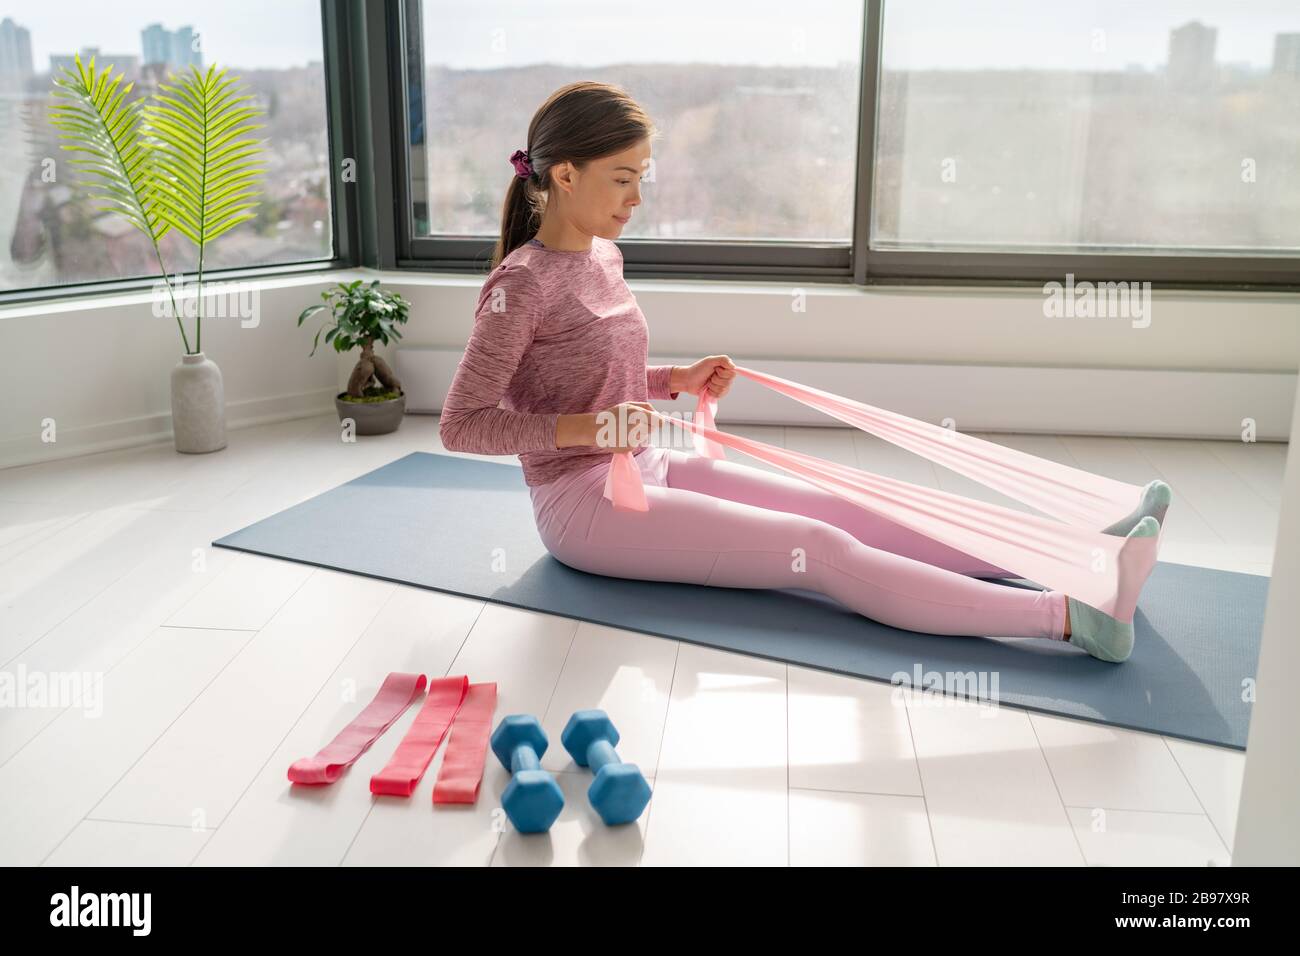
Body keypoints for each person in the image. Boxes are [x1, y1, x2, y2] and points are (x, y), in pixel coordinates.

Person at [440, 81, 1167, 663]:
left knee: (843, 507)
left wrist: (675, 379)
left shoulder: (603, 255)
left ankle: (1083, 554)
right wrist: (589, 427)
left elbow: (594, 373)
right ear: (564, 175)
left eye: (643, 178)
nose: (638, 198)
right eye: (623, 179)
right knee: (818, 551)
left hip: (648, 462)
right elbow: (461, 426)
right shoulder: (520, 286)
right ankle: (1073, 619)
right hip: (584, 505)